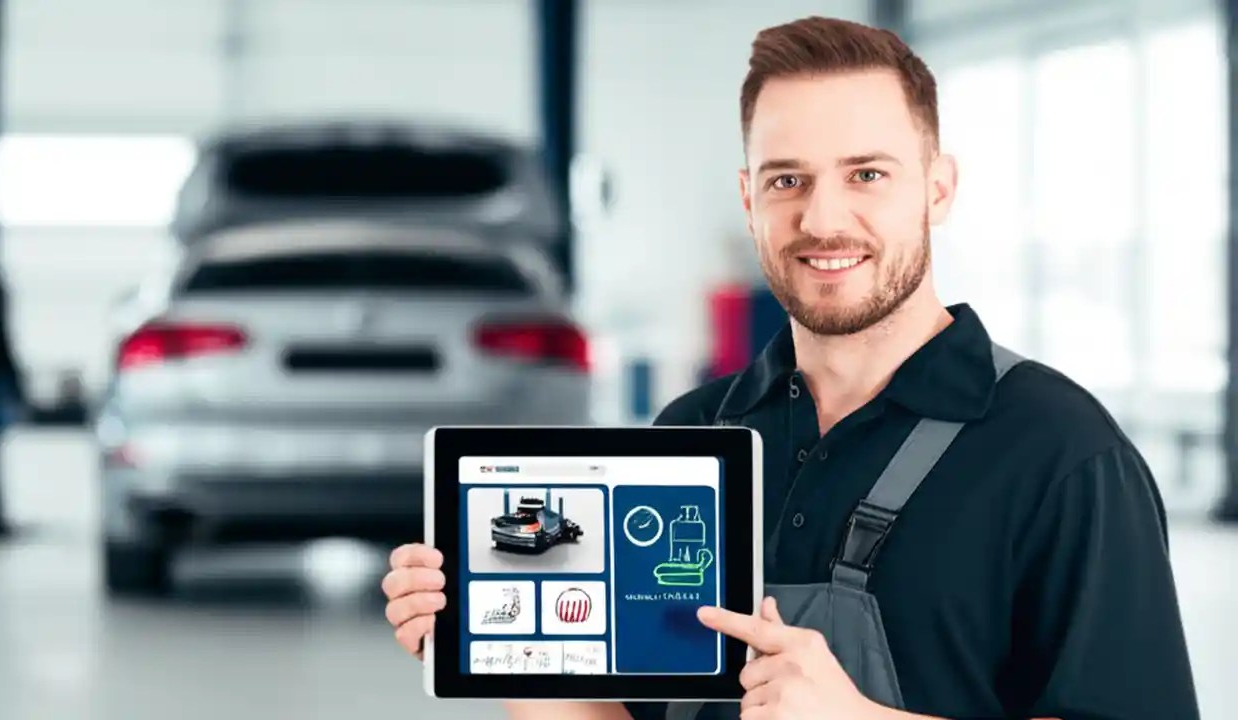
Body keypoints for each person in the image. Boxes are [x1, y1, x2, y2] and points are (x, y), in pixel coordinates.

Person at [383, 15, 1200, 720]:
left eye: (867, 175)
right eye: (788, 180)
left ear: (939, 189)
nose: (823, 217)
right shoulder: (692, 435)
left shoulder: (1060, 454)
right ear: (750, 198)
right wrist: (493, 641)